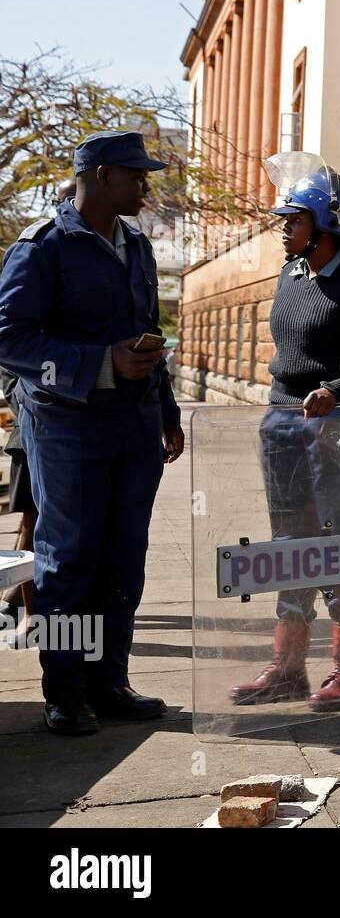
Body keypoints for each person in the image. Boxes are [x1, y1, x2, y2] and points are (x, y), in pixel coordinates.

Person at [0, 131, 183, 734]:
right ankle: (66, 690)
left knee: (123, 560)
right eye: (137, 176)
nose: (146, 187)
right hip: (66, 428)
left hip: (133, 428)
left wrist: (166, 411)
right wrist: (100, 364)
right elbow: (12, 340)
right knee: (69, 560)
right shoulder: (42, 248)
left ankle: (109, 682)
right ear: (101, 176)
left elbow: (145, 334)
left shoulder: (137, 246)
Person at [228, 153, 340, 712]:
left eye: (293, 220)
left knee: (335, 548)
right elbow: (287, 352)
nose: (283, 229)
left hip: (336, 431)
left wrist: (337, 388)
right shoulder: (289, 273)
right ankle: (286, 667)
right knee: (289, 547)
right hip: (282, 426)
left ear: (327, 226)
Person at [0, 181, 72, 643]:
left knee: (37, 524)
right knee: (35, 521)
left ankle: (19, 603)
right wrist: (19, 399)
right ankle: (31, 615)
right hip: (32, 423)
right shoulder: (35, 254)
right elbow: (12, 349)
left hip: (56, 421)